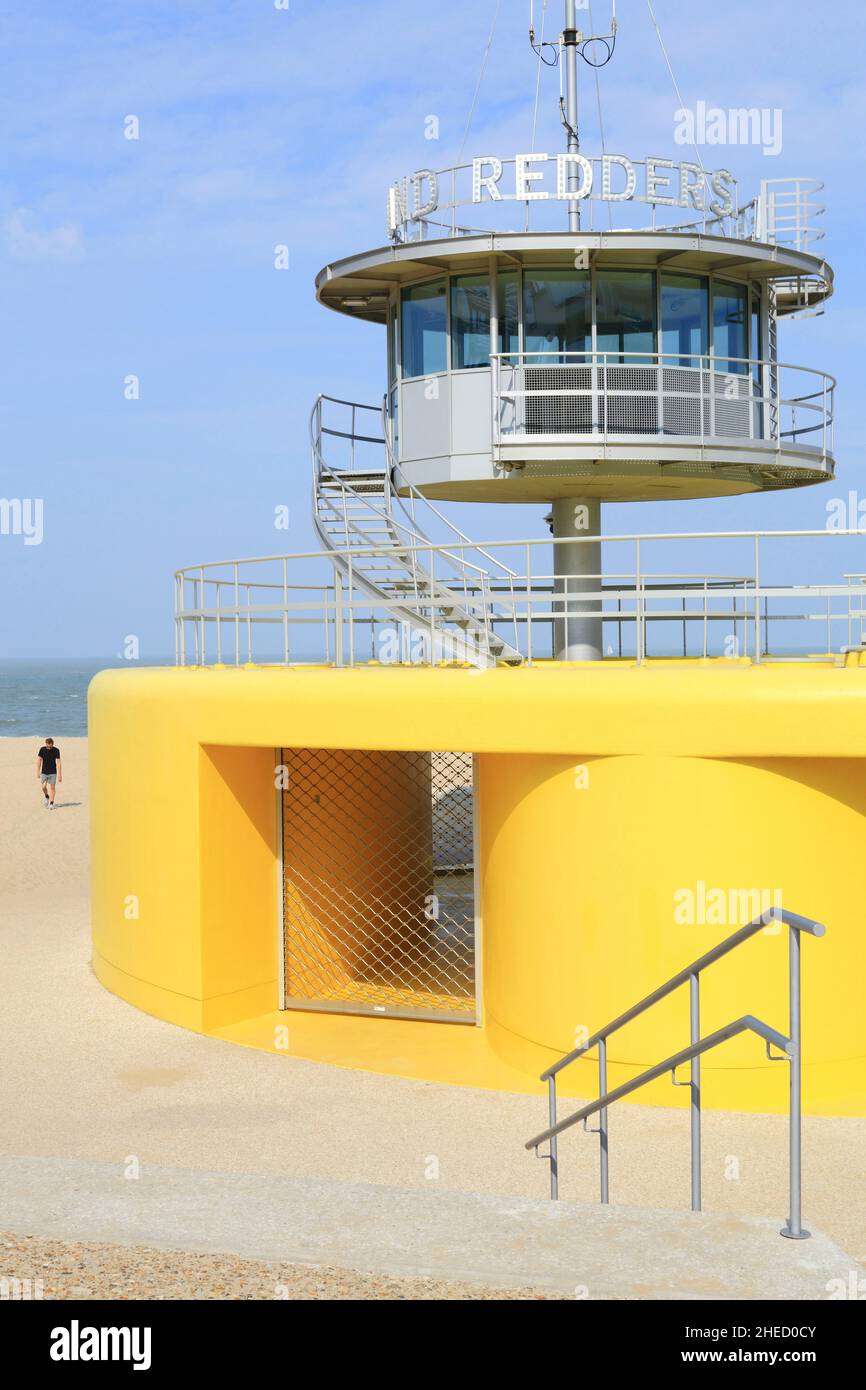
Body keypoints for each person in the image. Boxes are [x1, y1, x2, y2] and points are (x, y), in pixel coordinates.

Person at [36, 737, 62, 808]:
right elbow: (39, 760)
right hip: (44, 771)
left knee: (52, 788)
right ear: (46, 744)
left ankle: (51, 803)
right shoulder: (42, 749)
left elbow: (58, 762)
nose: (48, 748)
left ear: (52, 744)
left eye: (50, 746)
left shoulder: (56, 750)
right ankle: (47, 796)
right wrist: (38, 771)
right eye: (47, 746)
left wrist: (60, 775)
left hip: (53, 772)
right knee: (43, 787)